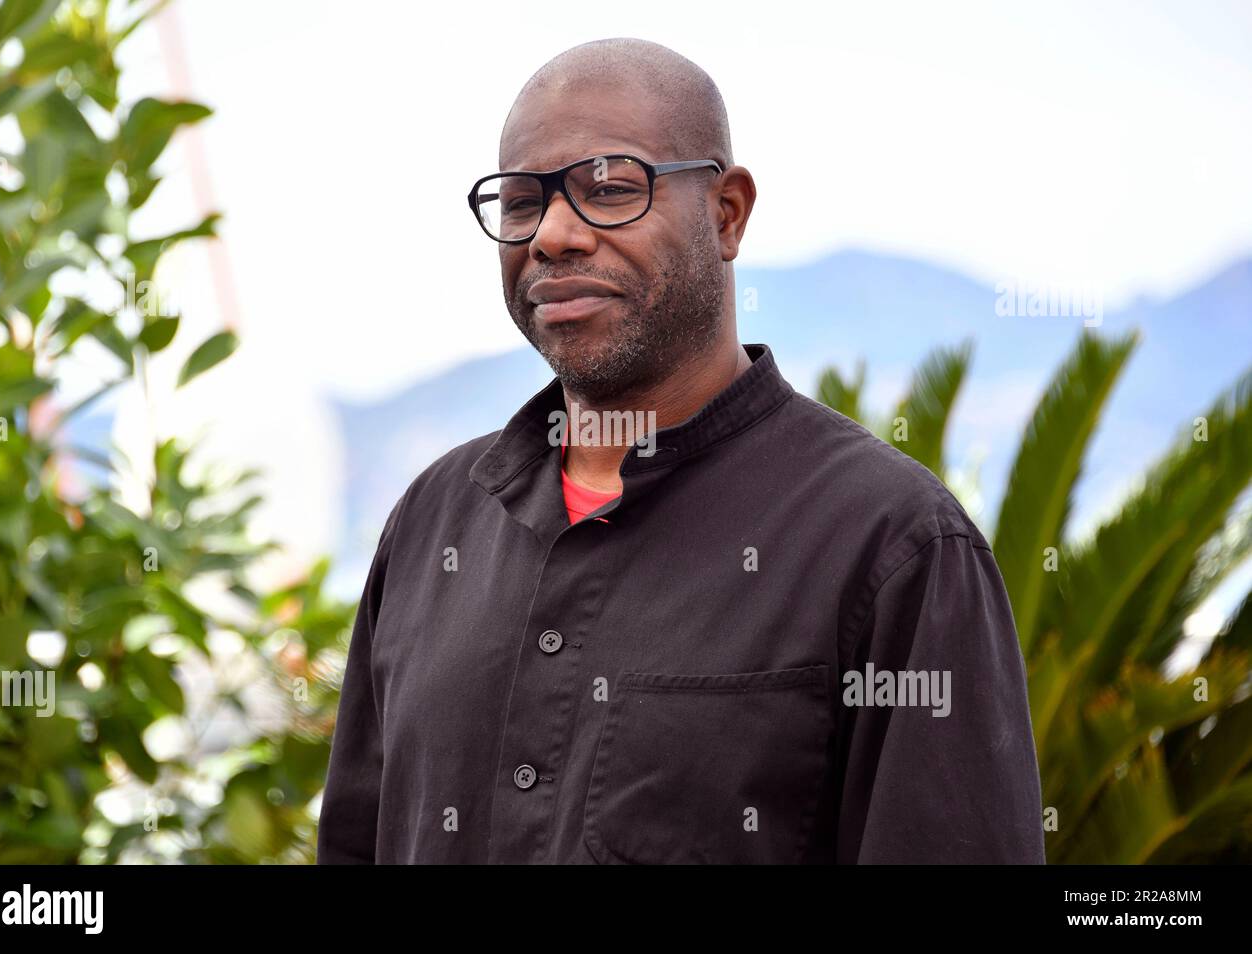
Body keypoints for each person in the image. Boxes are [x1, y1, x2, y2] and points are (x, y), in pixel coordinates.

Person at [317, 37, 1045, 864]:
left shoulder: (893, 545)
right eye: (521, 204)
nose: (553, 235)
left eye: (611, 189)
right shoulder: (433, 524)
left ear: (727, 214)